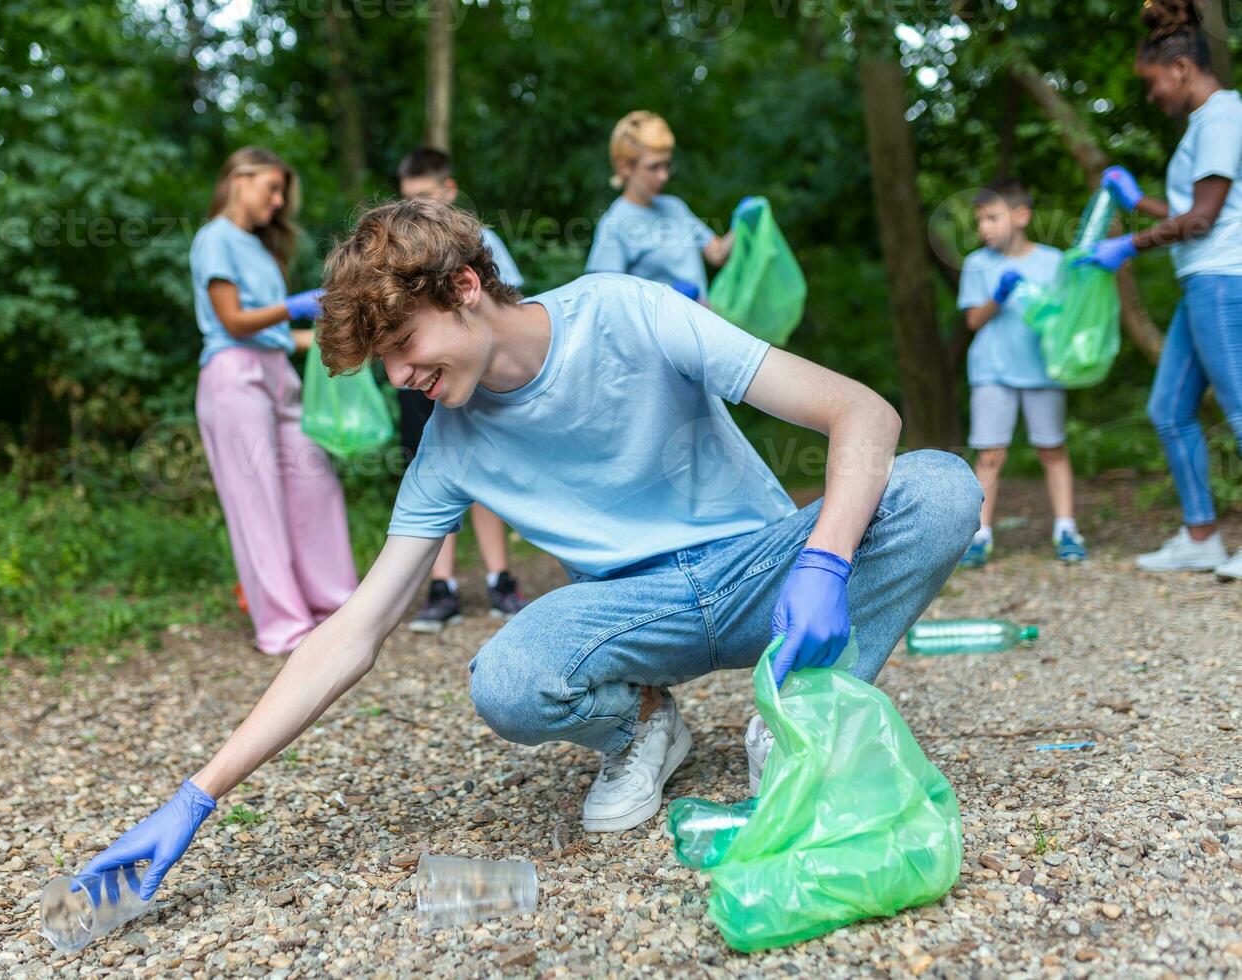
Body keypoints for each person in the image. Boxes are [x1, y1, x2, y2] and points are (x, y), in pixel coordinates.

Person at [80, 198, 981, 900]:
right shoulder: (449, 445)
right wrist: (197, 794)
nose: (402, 379)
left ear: (466, 286)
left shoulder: (626, 311)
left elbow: (863, 413)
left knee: (940, 488)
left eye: (405, 345)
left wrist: (823, 561)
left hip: (764, 575)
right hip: (640, 615)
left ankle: (802, 713)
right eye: (387, 364)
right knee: (507, 678)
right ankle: (643, 726)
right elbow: (352, 631)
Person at [1085, 0, 1242, 580]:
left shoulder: (1222, 117)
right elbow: (1190, 210)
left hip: (1224, 277)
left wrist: (1128, 245)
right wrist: (1137, 202)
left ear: (1180, 68)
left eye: (1152, 82)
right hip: (1201, 280)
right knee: (1170, 409)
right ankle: (1201, 537)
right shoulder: (1205, 124)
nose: (1151, 95)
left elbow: (1202, 219)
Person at [189, 147, 358, 654]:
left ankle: (335, 605)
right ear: (239, 180)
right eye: (272, 188)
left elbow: (279, 337)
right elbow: (233, 321)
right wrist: (293, 306)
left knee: (315, 484)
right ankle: (284, 626)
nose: (279, 201)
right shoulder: (215, 238)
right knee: (257, 501)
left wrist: (345, 339)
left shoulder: (260, 250)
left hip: (276, 372)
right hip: (234, 374)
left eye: (282, 192)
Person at [394, 146, 530, 630]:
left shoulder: (481, 240)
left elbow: (510, 303)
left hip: (476, 377)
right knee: (432, 467)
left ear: (449, 190)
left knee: (487, 466)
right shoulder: (401, 249)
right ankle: (442, 586)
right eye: (408, 199)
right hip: (424, 379)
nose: (417, 207)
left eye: (425, 196)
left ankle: (500, 579)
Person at [956, 179, 1087, 567]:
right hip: (992, 372)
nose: (984, 227)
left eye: (992, 218)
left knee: (1052, 449)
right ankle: (979, 534)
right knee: (990, 453)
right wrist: (997, 296)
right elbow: (973, 321)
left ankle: (1066, 529)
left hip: (1043, 371)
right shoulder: (977, 264)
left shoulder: (1052, 261)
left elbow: (1067, 317)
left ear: (1021, 216)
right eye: (980, 220)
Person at [585, 110, 734, 301]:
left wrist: (743, 225)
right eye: (653, 167)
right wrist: (665, 302)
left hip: (702, 319)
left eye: (666, 165)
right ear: (624, 168)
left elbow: (717, 254)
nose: (663, 176)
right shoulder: (615, 223)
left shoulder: (676, 207)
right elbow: (603, 298)